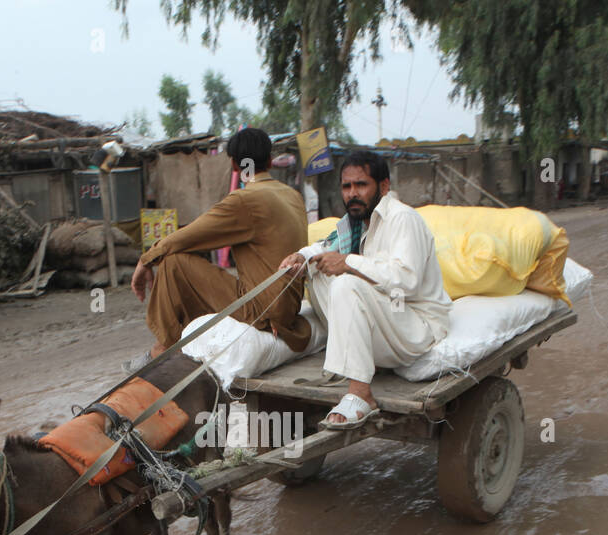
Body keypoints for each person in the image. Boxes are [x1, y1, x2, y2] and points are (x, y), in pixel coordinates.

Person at [278, 150, 450, 429]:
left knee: (346, 280)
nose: (352, 194)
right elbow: (324, 247)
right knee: (318, 271)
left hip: (417, 325)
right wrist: (301, 257)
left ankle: (360, 393)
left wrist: (348, 262)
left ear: (383, 186)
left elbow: (406, 281)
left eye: (361, 185)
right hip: (389, 327)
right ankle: (360, 360)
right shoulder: (354, 224)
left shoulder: (403, 219)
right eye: (347, 186)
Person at [125, 127, 308, 371]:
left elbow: (187, 237)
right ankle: (182, 342)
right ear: (271, 161)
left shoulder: (244, 200)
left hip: (263, 310)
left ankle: (163, 349)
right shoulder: (292, 195)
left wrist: (146, 260)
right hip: (286, 308)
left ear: (233, 165)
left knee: (172, 262)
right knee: (182, 264)